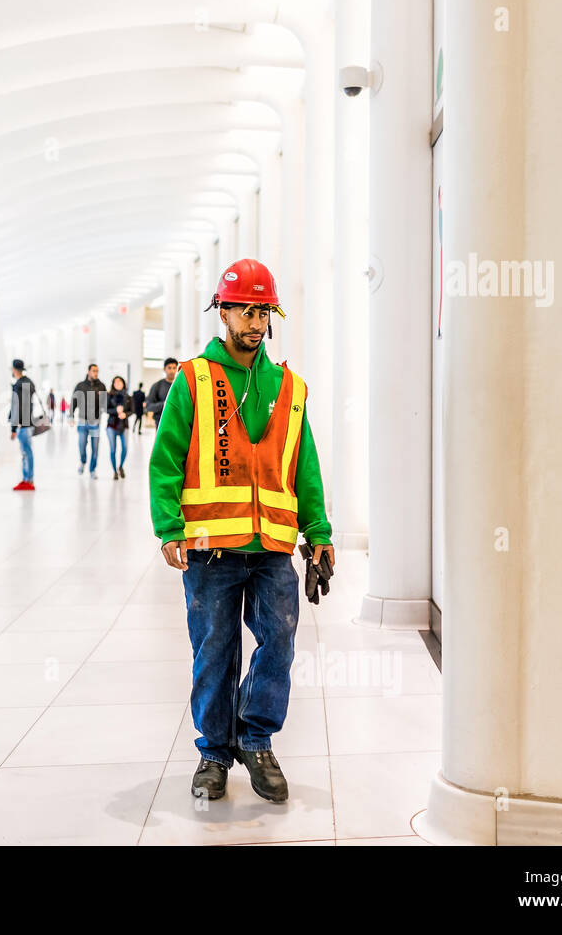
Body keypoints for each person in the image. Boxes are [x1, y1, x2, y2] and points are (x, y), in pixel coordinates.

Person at [149, 258, 334, 806]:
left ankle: (256, 739)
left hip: (273, 547)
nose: (255, 322)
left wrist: (318, 531)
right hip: (209, 551)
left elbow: (305, 465)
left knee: (277, 642)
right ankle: (213, 752)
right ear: (223, 311)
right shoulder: (194, 380)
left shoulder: (290, 388)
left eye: (264, 311)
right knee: (214, 649)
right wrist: (169, 528)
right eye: (245, 310)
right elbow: (166, 460)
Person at [70, 363, 107, 478]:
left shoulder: (101, 386)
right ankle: (83, 461)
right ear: (88, 372)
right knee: (81, 445)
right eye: (94, 371)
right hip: (82, 421)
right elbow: (73, 401)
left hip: (95, 422)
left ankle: (92, 470)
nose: (96, 373)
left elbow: (105, 404)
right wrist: (70, 416)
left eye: (97, 371)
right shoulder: (80, 386)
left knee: (95, 449)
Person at [9, 359, 38, 491]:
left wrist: (14, 428)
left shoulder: (19, 385)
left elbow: (17, 407)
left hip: (23, 425)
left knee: (26, 453)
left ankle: (28, 481)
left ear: (14, 369)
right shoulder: (29, 383)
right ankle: (28, 479)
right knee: (27, 452)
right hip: (30, 422)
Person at [105, 375, 131, 479]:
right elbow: (106, 409)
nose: (117, 384)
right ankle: (114, 471)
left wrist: (125, 414)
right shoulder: (109, 396)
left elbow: (132, 410)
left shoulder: (128, 397)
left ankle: (120, 467)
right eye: (115, 382)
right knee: (113, 450)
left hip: (123, 425)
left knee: (125, 448)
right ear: (113, 384)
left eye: (119, 382)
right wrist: (116, 411)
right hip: (111, 425)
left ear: (123, 383)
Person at [146, 357, 178, 429]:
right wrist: (164, 404)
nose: (172, 371)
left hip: (177, 423)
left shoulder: (180, 386)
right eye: (169, 368)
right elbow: (148, 406)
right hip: (161, 423)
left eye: (174, 368)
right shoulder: (157, 386)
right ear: (164, 369)